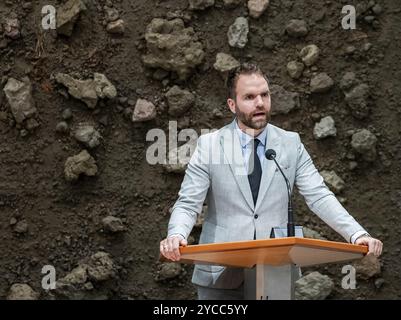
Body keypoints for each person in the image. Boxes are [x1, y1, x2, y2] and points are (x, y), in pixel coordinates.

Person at [159, 63, 383, 300]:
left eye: (264, 95)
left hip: (275, 273)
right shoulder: (210, 145)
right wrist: (177, 235)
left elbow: (319, 195)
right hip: (220, 273)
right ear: (232, 105)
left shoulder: (290, 143)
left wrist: (357, 235)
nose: (260, 103)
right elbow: (188, 203)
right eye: (249, 97)